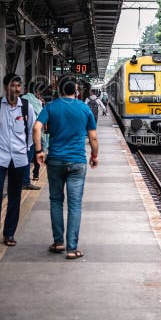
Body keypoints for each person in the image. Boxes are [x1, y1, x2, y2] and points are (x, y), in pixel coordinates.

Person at [33, 75, 98, 260]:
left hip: (55, 161)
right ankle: (72, 248)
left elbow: (37, 128)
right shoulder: (84, 108)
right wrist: (94, 156)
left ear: (60, 91)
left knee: (55, 201)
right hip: (77, 162)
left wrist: (39, 151)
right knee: (75, 205)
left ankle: (58, 242)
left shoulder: (51, 107)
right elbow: (93, 137)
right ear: (76, 91)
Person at [0, 74, 36, 252]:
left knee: (15, 196)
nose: (17, 89)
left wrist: (24, 150)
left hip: (19, 159)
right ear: (6, 87)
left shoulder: (26, 108)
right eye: (13, 86)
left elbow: (31, 133)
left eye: (19, 86)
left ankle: (9, 233)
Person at [22, 82, 46, 186]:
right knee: (35, 153)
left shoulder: (22, 99)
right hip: (35, 132)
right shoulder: (37, 101)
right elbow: (42, 116)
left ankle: (24, 179)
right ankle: (33, 176)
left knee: (26, 156)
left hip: (22, 131)